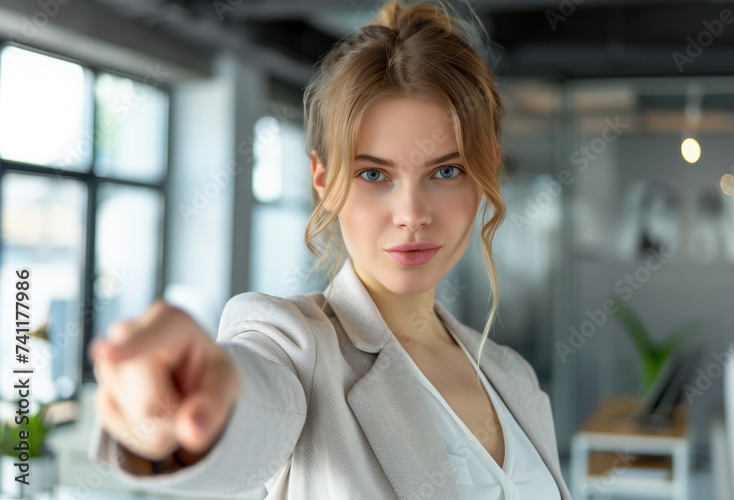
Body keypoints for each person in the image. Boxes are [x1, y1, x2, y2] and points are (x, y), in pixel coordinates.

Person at [86, 0, 570, 498]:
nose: (411, 213)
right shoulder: (298, 346)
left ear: (486, 169)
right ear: (323, 180)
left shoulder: (513, 378)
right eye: (373, 174)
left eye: (445, 171)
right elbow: (257, 400)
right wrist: (199, 407)